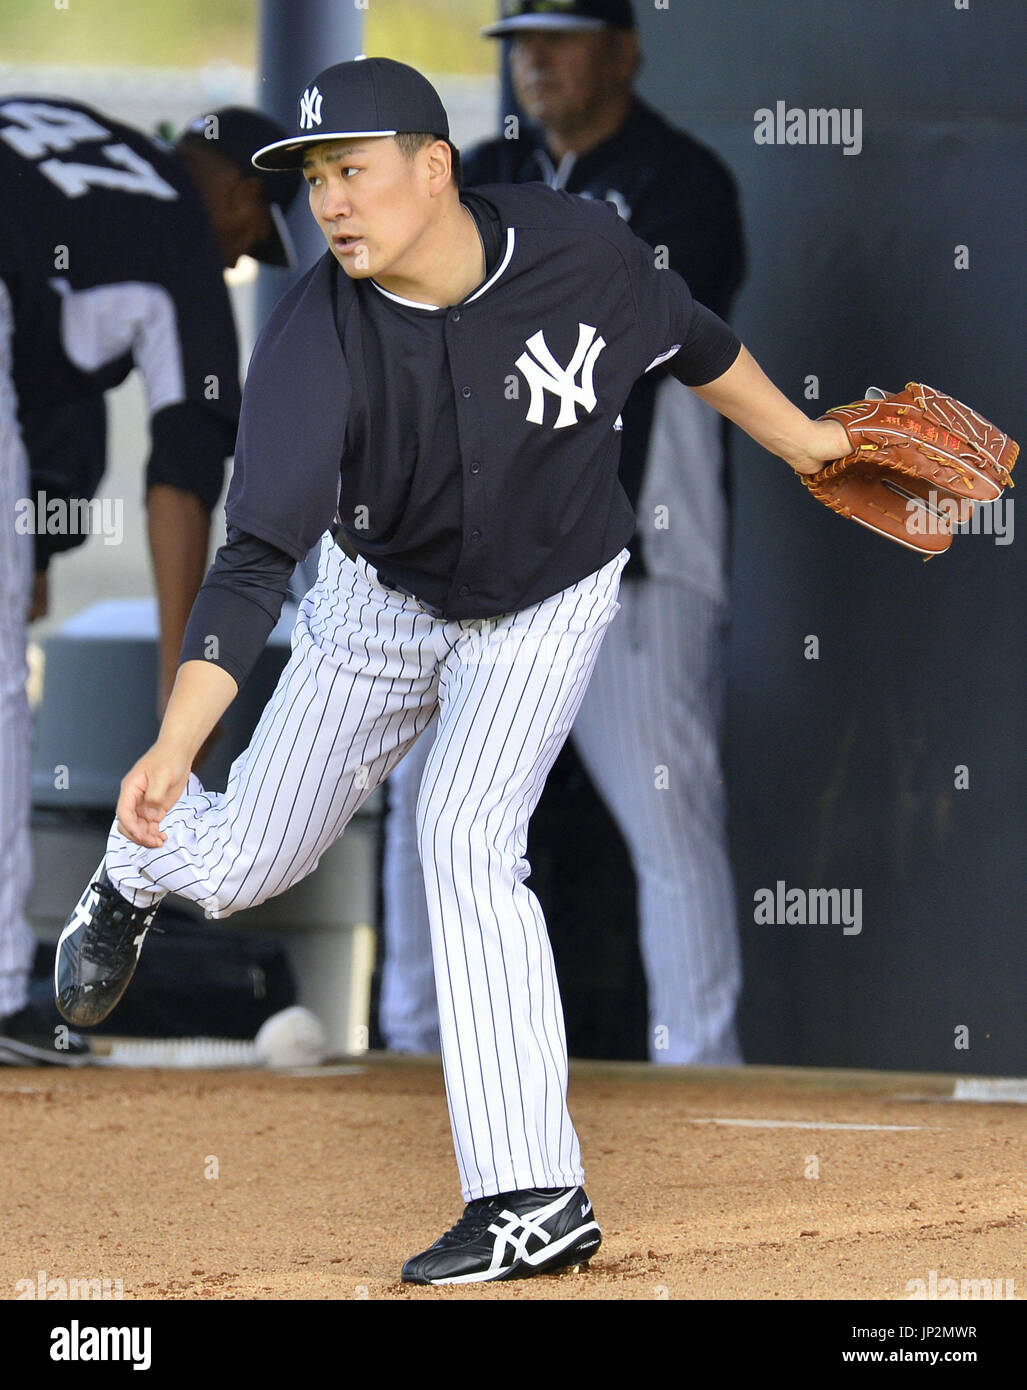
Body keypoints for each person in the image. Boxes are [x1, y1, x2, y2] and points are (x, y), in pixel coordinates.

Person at [52, 58, 848, 1284]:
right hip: (377, 608)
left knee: (469, 835)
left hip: (547, 601)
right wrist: (171, 748)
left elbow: (688, 336)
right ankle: (135, 866)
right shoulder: (314, 338)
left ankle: (532, 1195)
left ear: (436, 169)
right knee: (246, 857)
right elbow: (255, 560)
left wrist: (805, 441)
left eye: (352, 170)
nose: (330, 203)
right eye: (315, 179)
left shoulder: (582, 251)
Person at [380, 0, 747, 1065]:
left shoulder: (686, 179)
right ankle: (409, 1047)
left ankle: (704, 1066)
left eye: (560, 37)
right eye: (519, 42)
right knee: (425, 799)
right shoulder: (483, 165)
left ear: (623, 49)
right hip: (479, 566)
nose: (534, 60)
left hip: (641, 559)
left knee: (670, 824)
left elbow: (633, 337)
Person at [0, 96, 300, 1064]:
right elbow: (181, 479)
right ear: (239, 193)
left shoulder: (78, 127)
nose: (239, 259)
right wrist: (186, 713)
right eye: (255, 234)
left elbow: (52, 353)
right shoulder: (179, 231)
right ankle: (5, 987)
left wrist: (35, 546)